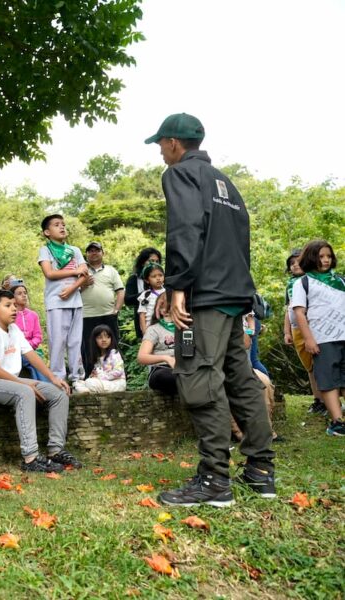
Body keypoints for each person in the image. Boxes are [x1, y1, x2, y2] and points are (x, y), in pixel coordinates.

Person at [145, 113, 275, 506]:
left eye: (161, 144)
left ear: (172, 142)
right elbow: (239, 241)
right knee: (239, 378)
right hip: (235, 294)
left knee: (199, 376)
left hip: (206, 296)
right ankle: (260, 470)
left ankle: (215, 480)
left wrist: (178, 285)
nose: (160, 152)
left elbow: (185, 229)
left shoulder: (180, 175)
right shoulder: (226, 183)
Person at [0, 289, 81, 473]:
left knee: (59, 394)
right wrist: (25, 383)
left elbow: (31, 355)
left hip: (11, 380)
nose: (14, 308)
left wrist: (54, 378)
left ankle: (55, 450)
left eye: (14, 305)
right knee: (25, 392)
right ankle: (30, 458)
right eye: (8, 305)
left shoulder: (14, 329)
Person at [291, 240, 345, 436]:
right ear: (312, 257)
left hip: (344, 335)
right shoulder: (302, 282)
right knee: (328, 380)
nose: (325, 260)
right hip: (322, 338)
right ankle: (338, 422)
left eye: (329, 256)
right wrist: (308, 339)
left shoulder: (340, 281)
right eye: (321, 256)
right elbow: (299, 313)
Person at [37, 214, 88, 384]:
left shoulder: (75, 250)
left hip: (75, 301)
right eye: (57, 225)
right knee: (57, 341)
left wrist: (72, 288)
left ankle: (77, 377)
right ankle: (58, 378)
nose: (62, 227)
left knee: (75, 341)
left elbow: (85, 273)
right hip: (56, 302)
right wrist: (74, 272)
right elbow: (49, 273)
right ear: (47, 232)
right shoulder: (45, 250)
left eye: (63, 224)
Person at [283, 249, 324, 414]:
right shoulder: (290, 285)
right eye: (291, 264)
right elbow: (289, 309)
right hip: (296, 329)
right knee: (310, 368)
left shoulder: (313, 280)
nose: (295, 265)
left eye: (298, 262)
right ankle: (318, 400)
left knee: (322, 365)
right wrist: (287, 331)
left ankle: (331, 400)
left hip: (314, 328)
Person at [79, 242, 124, 376]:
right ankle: (89, 376)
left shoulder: (111, 270)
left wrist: (116, 310)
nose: (94, 253)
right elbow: (72, 291)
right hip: (86, 316)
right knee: (88, 347)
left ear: (102, 253)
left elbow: (120, 291)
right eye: (90, 251)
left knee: (112, 346)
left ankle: (116, 374)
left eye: (97, 250)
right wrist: (83, 284)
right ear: (86, 254)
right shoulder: (80, 270)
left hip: (108, 315)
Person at [137, 292, 177, 396]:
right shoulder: (154, 329)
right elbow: (142, 357)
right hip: (163, 368)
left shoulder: (187, 327)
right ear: (162, 311)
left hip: (184, 368)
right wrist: (166, 358)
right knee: (167, 377)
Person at [10, 282, 47, 382]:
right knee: (33, 360)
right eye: (19, 293)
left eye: (25, 293)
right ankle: (46, 387)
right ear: (13, 298)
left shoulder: (33, 315)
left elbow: (38, 336)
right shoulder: (10, 315)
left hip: (31, 350)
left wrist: (28, 346)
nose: (23, 295)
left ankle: (41, 388)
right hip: (15, 352)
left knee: (33, 359)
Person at [124, 247, 163, 339]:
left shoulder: (161, 279)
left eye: (157, 261)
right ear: (142, 262)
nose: (154, 263)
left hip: (162, 320)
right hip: (143, 321)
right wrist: (148, 294)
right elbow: (128, 300)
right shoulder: (134, 279)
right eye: (151, 261)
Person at [75, 325, 126, 393]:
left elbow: (118, 372)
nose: (104, 340)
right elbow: (97, 373)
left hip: (117, 383)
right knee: (78, 383)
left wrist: (100, 377)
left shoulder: (114, 353)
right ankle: (87, 390)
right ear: (94, 340)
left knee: (90, 383)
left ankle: (87, 390)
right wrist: (93, 376)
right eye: (100, 337)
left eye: (107, 337)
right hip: (102, 383)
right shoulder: (97, 357)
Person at [137, 262, 166, 333]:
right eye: (154, 276)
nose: (158, 278)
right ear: (147, 280)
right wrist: (145, 333)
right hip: (150, 329)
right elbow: (142, 315)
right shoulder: (145, 295)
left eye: (160, 275)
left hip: (165, 328)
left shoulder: (167, 292)